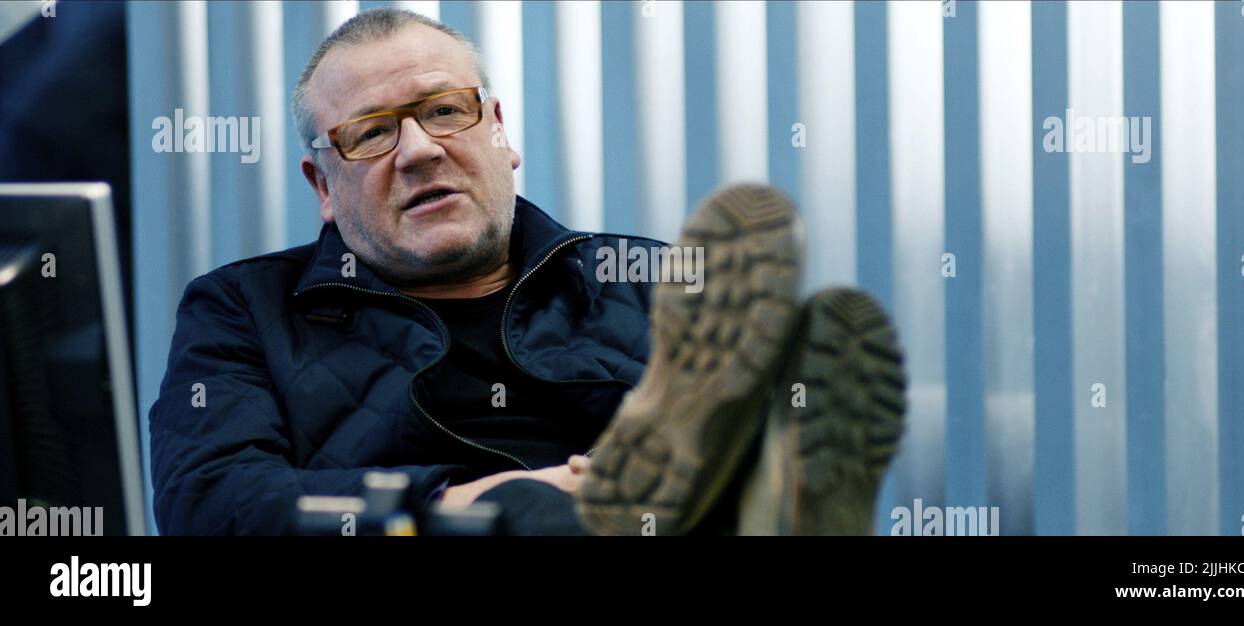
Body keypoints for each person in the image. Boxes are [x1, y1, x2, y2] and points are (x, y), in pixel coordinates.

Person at [149, 8, 906, 536]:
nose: (417, 149)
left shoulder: (640, 279)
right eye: (372, 133)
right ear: (322, 188)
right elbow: (209, 502)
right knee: (537, 518)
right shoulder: (245, 309)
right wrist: (469, 501)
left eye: (445, 111)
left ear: (500, 134)